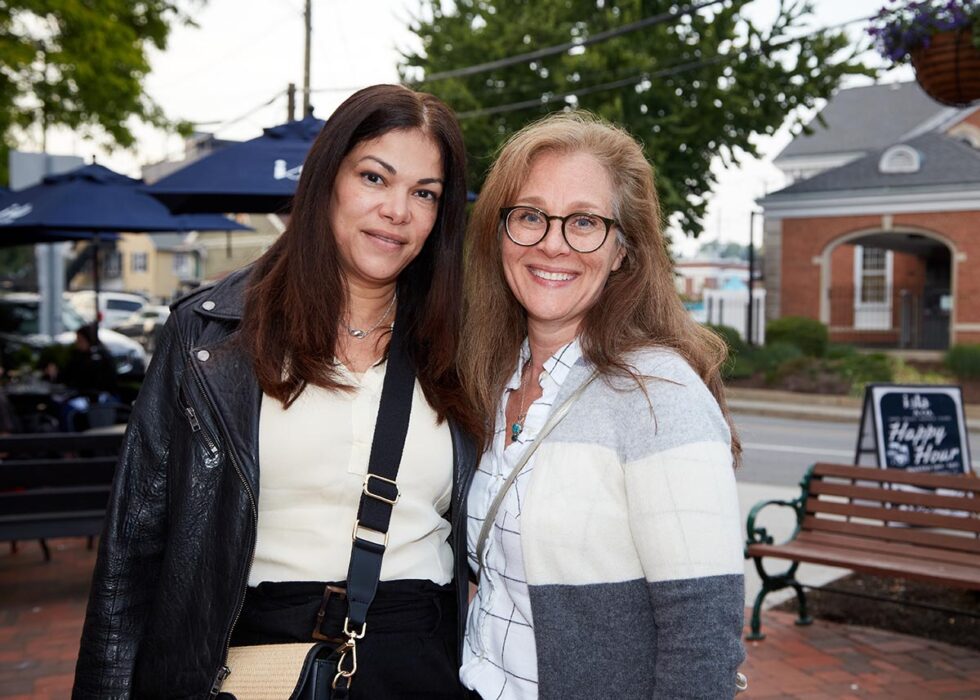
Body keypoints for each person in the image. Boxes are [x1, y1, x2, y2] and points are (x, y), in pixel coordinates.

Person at [73, 84, 479, 699]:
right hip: (254, 663)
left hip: (417, 663)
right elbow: (133, 553)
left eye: (425, 193)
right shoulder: (211, 334)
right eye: (375, 178)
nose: (398, 209)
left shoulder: (465, 346)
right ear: (327, 181)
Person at [457, 111, 746, 699]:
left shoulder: (659, 393)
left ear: (622, 249)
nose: (553, 243)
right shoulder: (492, 377)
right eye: (530, 216)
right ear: (500, 232)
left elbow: (703, 637)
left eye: (584, 222)